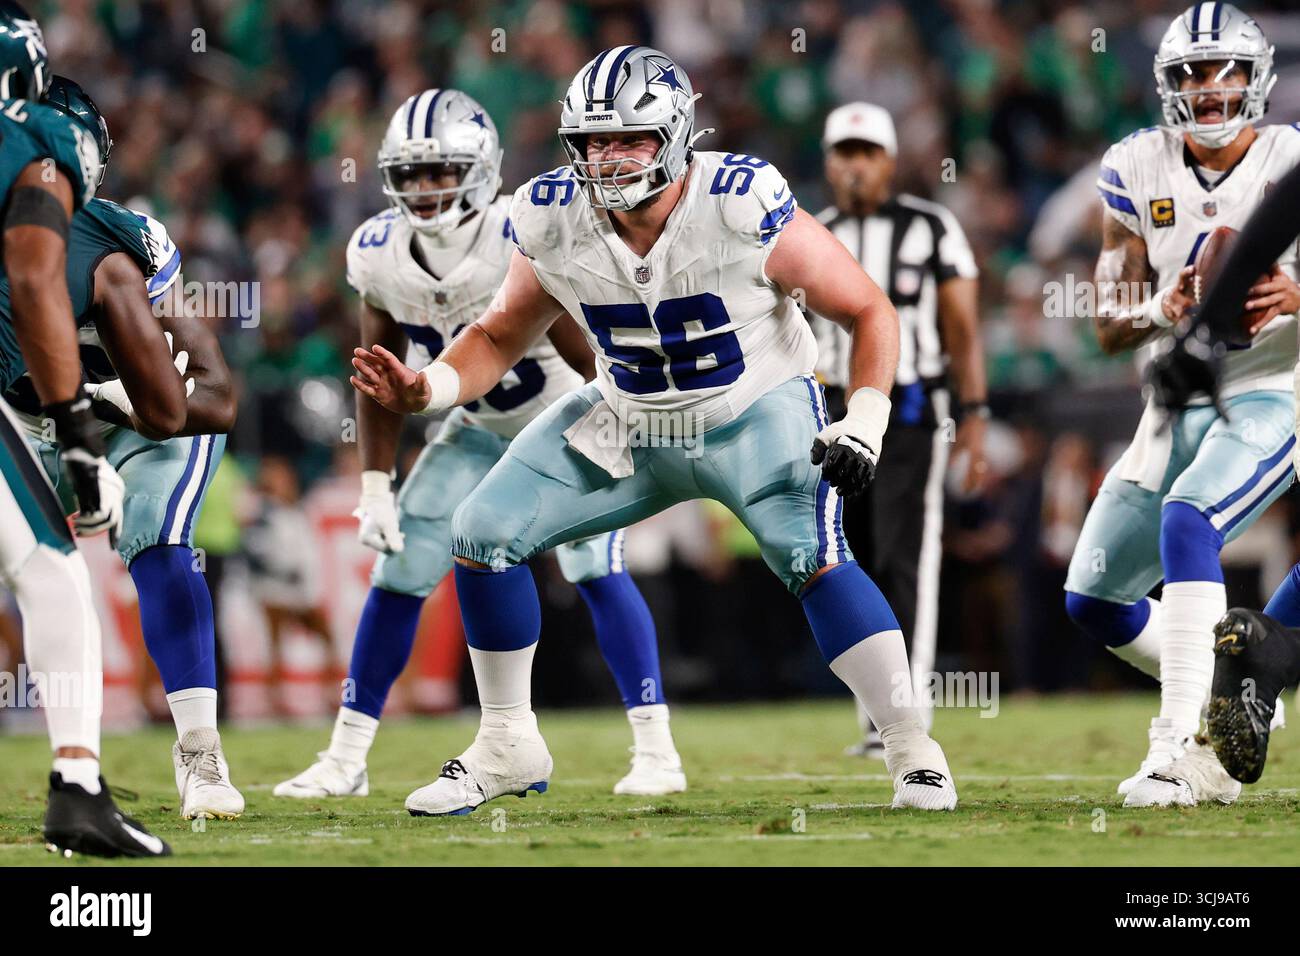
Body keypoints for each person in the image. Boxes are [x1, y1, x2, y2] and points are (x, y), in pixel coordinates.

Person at [352, 46, 958, 816]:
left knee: (812, 556)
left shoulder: (738, 198)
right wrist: (429, 386)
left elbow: (868, 308)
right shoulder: (549, 212)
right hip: (630, 417)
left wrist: (865, 418)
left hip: (752, 410)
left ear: (673, 134)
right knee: (482, 531)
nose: (605, 159)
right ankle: (508, 743)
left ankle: (911, 747)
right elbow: (503, 332)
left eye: (626, 139)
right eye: (591, 142)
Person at [275, 90, 685, 801]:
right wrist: (377, 486)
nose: (427, 188)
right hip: (473, 427)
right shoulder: (377, 252)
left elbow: (581, 345)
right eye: (414, 173)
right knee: (398, 571)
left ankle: (656, 750)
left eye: (442, 171)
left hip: (558, 414)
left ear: (483, 169)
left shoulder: (517, 231)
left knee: (593, 564)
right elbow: (377, 370)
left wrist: (618, 416)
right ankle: (345, 757)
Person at [1062, 3, 1300, 807]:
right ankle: (1235, 687)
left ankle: (1178, 752)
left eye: (1223, 70)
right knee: (1092, 598)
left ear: (1255, 76)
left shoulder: (1290, 158)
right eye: (1191, 73)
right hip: (1177, 394)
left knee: (1188, 520)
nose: (1207, 89)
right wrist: (1165, 308)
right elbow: (1105, 328)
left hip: (1275, 387)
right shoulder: (1135, 166)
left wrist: (1295, 293)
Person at [4, 75, 242, 822]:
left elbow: (212, 397)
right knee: (41, 566)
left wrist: (108, 402)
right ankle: (75, 770)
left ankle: (199, 750)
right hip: (38, 426)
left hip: (140, 422)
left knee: (155, 537)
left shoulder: (116, 242)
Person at [0, 2, 171, 857]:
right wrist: (77, 422)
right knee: (48, 567)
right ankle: (76, 788)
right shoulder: (35, 136)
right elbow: (35, 278)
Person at [808, 102, 988, 756]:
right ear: (829, 163)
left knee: (905, 554)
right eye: (844, 153)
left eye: (867, 153)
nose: (855, 166)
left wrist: (974, 415)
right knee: (846, 558)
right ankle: (877, 716)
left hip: (912, 406)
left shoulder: (930, 227)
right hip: (832, 407)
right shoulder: (811, 231)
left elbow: (962, 329)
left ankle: (908, 716)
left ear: (887, 160)